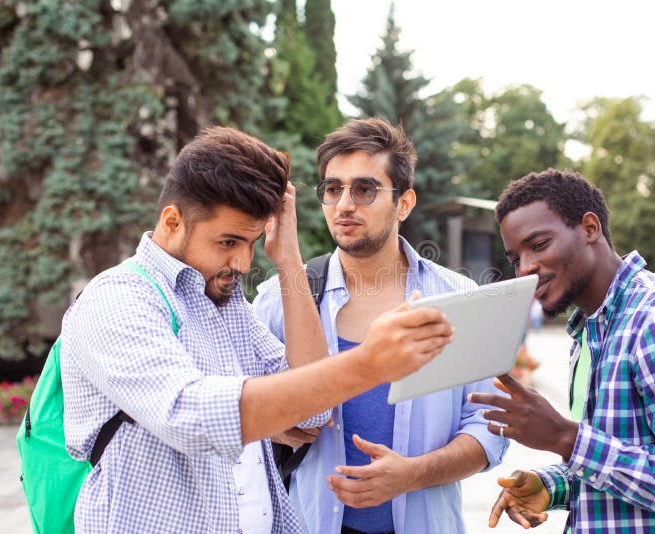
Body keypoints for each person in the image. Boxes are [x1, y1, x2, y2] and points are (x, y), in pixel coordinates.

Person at [59, 126, 453, 533]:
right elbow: (190, 417)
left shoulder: (225, 304)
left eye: (250, 243)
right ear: (173, 221)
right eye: (228, 242)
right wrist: (368, 364)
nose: (244, 264)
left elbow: (313, 409)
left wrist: (288, 261)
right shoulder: (117, 299)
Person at [254, 118, 509, 534]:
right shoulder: (279, 297)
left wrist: (413, 474)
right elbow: (236, 416)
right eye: (332, 189)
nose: (344, 204)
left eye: (365, 189)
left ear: (404, 203)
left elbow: (491, 428)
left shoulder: (459, 299)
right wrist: (275, 428)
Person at [469, 168, 655, 532]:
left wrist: (564, 437)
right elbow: (625, 462)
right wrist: (553, 484)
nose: (526, 269)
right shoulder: (592, 331)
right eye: (515, 259)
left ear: (590, 228)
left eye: (539, 245)